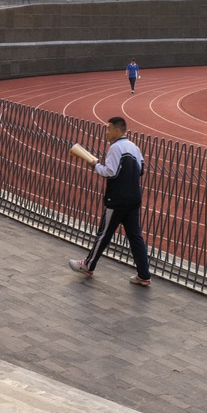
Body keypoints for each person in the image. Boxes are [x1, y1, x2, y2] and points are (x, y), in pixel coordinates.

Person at [68, 116, 151, 286]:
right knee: (135, 236)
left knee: (104, 234)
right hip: (134, 197)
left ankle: (88, 265)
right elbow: (141, 170)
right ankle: (144, 275)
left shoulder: (115, 148)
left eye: (108, 129)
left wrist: (93, 164)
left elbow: (110, 172)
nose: (106, 132)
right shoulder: (134, 147)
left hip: (117, 199)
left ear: (117, 131)